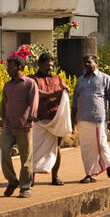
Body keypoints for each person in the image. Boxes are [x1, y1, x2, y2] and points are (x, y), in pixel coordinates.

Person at [71, 54, 110, 182]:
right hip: (82, 119)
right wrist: (72, 119)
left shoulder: (105, 78)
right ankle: (90, 174)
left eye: (89, 62)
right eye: (84, 62)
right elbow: (75, 102)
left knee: (101, 143)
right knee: (86, 147)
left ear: (96, 63)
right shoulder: (80, 80)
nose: (86, 65)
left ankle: (108, 164)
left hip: (98, 118)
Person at [0, 55, 39, 198]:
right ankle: (12, 180)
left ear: (19, 67)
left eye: (10, 67)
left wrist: (30, 120)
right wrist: (3, 120)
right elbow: (4, 103)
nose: (7, 69)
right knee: (3, 152)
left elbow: (34, 103)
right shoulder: (7, 85)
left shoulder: (30, 83)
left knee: (26, 157)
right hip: (9, 126)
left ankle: (25, 186)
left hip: (24, 126)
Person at [30, 53, 71, 186]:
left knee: (56, 149)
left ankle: (55, 177)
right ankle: (31, 178)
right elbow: (36, 93)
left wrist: (65, 90)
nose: (50, 68)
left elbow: (64, 91)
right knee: (35, 149)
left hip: (55, 120)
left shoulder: (57, 79)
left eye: (52, 66)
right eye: (47, 65)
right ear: (40, 65)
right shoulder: (32, 79)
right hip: (38, 120)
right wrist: (54, 94)